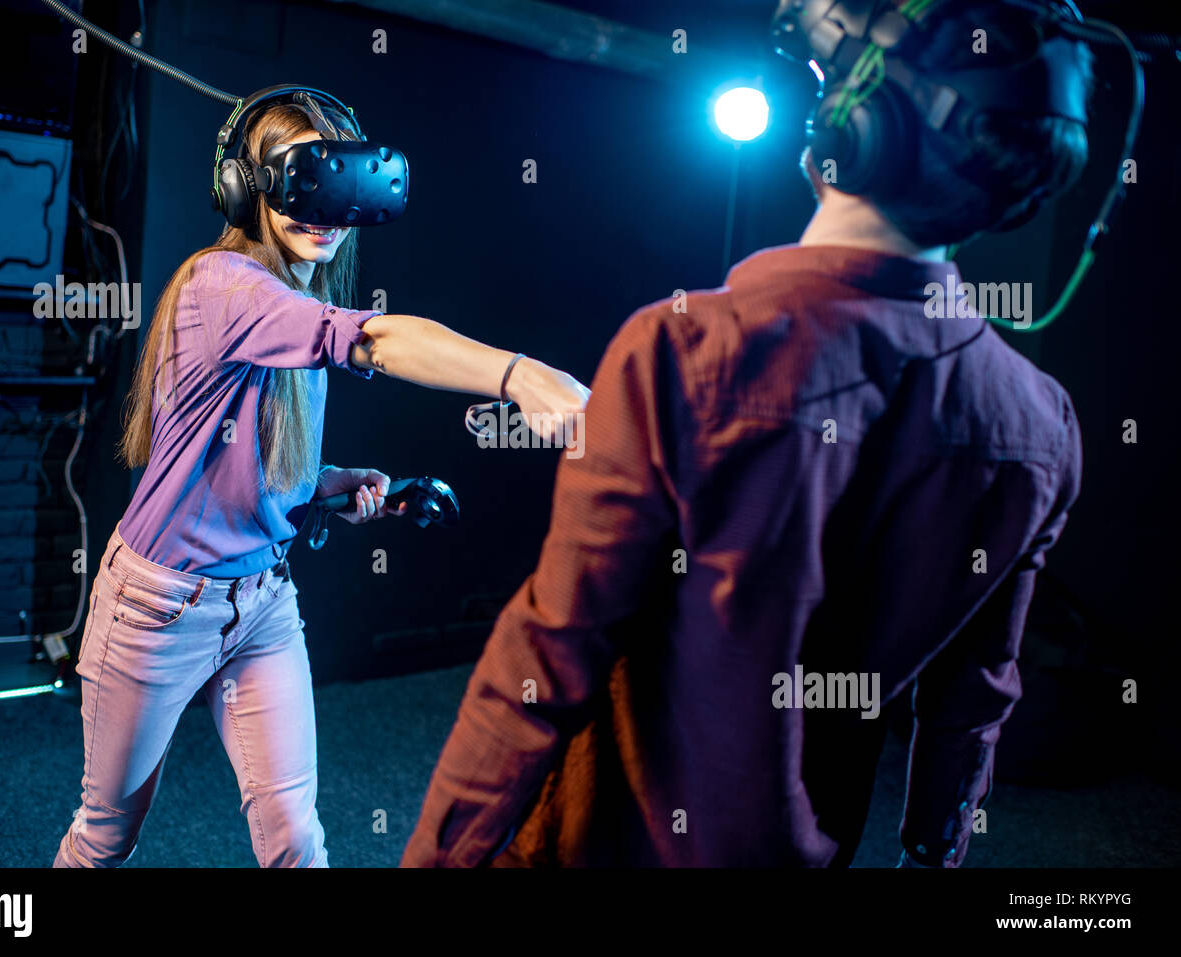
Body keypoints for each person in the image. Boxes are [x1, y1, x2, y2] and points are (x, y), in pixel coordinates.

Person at [401, 0, 1090, 867]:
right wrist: (934, 844)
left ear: (859, 128)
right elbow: (976, 690)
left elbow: (546, 655)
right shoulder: (1042, 423)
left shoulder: (683, 348)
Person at [52, 98, 589, 868]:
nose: (323, 212)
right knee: (107, 834)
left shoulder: (300, 301)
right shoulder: (223, 285)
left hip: (263, 602)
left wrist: (329, 485)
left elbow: (246, 470)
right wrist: (518, 375)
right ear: (245, 189)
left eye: (337, 185)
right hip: (159, 605)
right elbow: (373, 339)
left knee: (297, 838)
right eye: (300, 182)